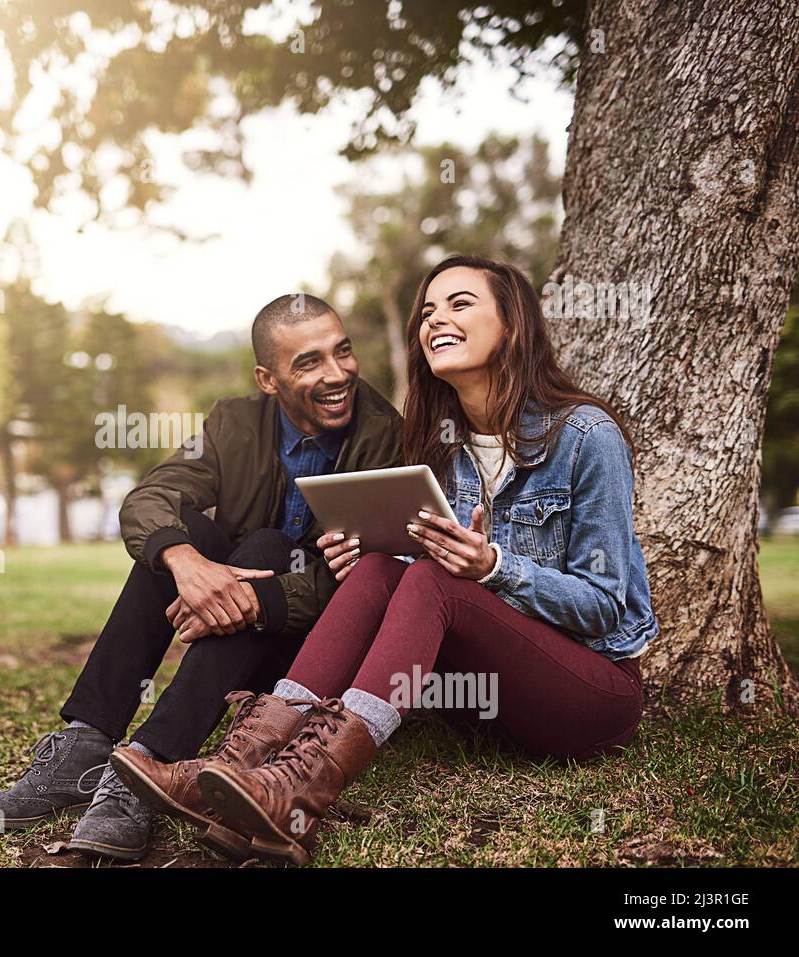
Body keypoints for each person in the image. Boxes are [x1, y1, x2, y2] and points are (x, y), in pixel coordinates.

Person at [113, 256, 659, 865]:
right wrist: (367, 554)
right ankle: (240, 768)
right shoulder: (440, 449)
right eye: (427, 311)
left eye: (459, 304)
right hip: (484, 703)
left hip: (590, 697)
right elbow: (414, 582)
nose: (435, 320)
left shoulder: (585, 436)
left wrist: (494, 568)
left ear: (513, 322)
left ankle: (298, 790)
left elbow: (607, 610)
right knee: (381, 568)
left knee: (433, 579)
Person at [0, 294, 404, 861]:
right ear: (268, 379)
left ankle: (147, 768)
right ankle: (87, 743)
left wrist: (249, 596)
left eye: (342, 352)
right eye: (309, 362)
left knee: (267, 546)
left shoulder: (387, 436)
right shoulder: (232, 422)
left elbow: (359, 584)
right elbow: (149, 498)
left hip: (307, 653)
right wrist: (187, 563)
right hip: (235, 635)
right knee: (179, 533)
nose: (337, 373)